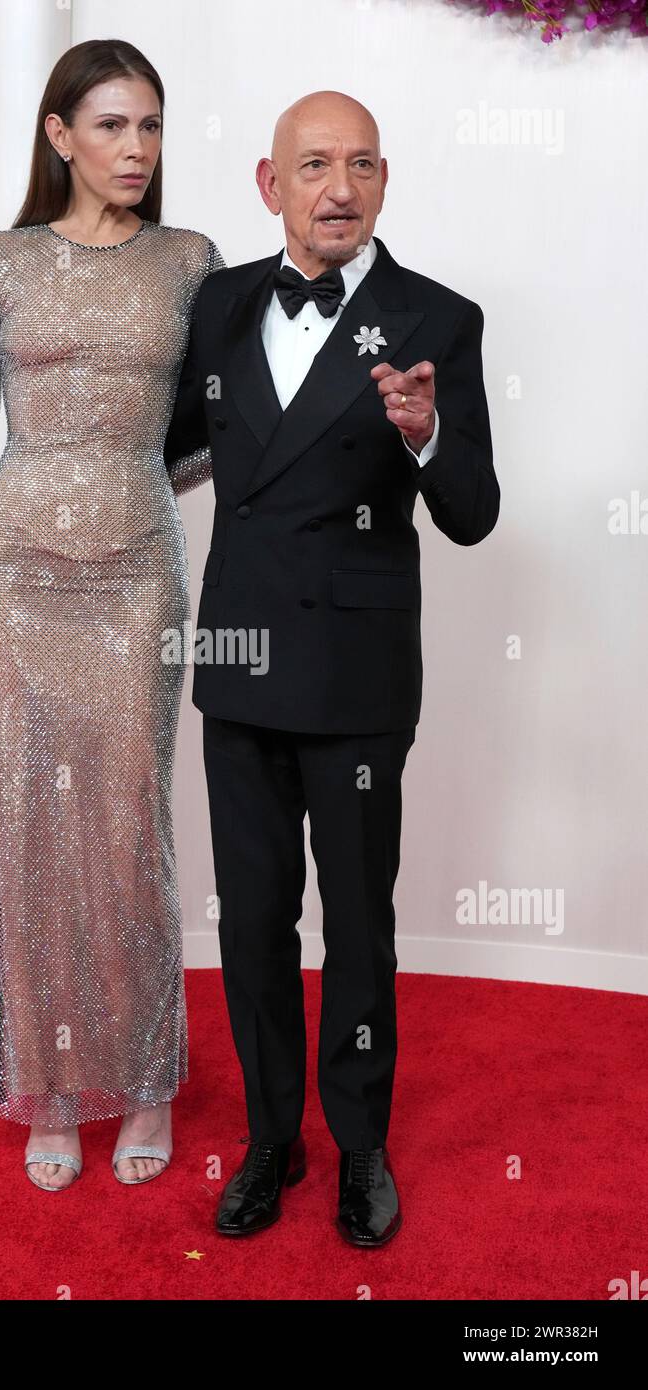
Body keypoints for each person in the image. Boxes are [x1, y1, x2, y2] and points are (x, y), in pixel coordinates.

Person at [164, 91, 499, 1244]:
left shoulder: (436, 319)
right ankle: (271, 1139)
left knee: (355, 923)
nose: (337, 188)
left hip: (355, 674)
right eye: (313, 165)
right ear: (270, 184)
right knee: (252, 920)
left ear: (384, 179)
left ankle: (359, 1146)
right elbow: (164, 457)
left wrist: (423, 436)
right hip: (239, 661)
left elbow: (471, 512)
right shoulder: (214, 306)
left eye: (358, 164)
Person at [0, 38, 224, 1191]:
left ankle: (144, 1079)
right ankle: (48, 1090)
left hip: (136, 572)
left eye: (148, 126)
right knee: (32, 839)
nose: (135, 149)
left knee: (128, 825)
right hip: (12, 575)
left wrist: (133, 475)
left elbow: (210, 430)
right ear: (59, 136)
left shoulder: (190, 261)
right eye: (110, 126)